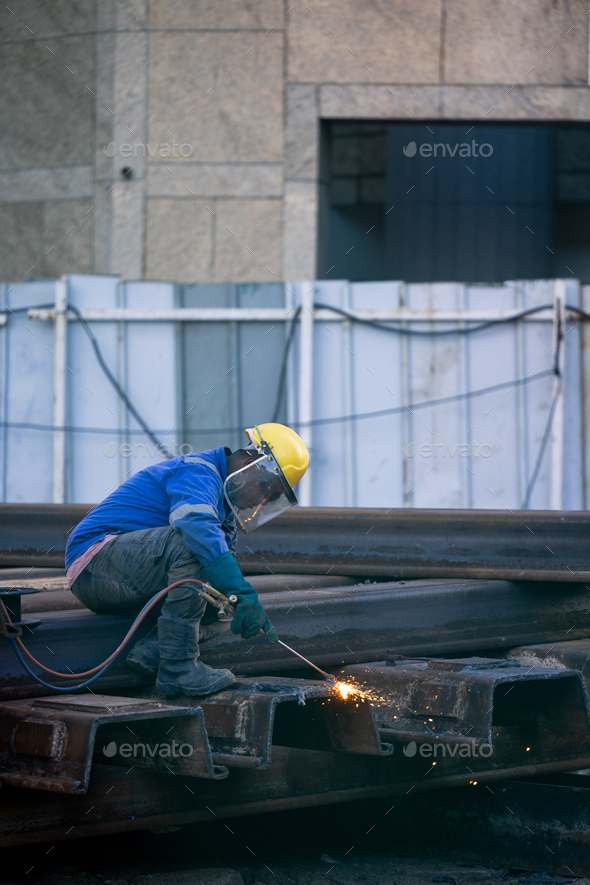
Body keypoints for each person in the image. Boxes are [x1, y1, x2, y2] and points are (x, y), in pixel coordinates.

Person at [65, 423, 309, 697]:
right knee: (195, 544)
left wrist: (238, 599)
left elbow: (216, 573)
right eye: (266, 488)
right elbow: (195, 525)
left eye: (271, 498)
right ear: (252, 462)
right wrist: (240, 589)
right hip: (94, 565)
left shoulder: (224, 511)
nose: (261, 501)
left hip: (133, 581)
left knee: (223, 606)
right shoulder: (199, 470)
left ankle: (153, 651)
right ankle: (178, 669)